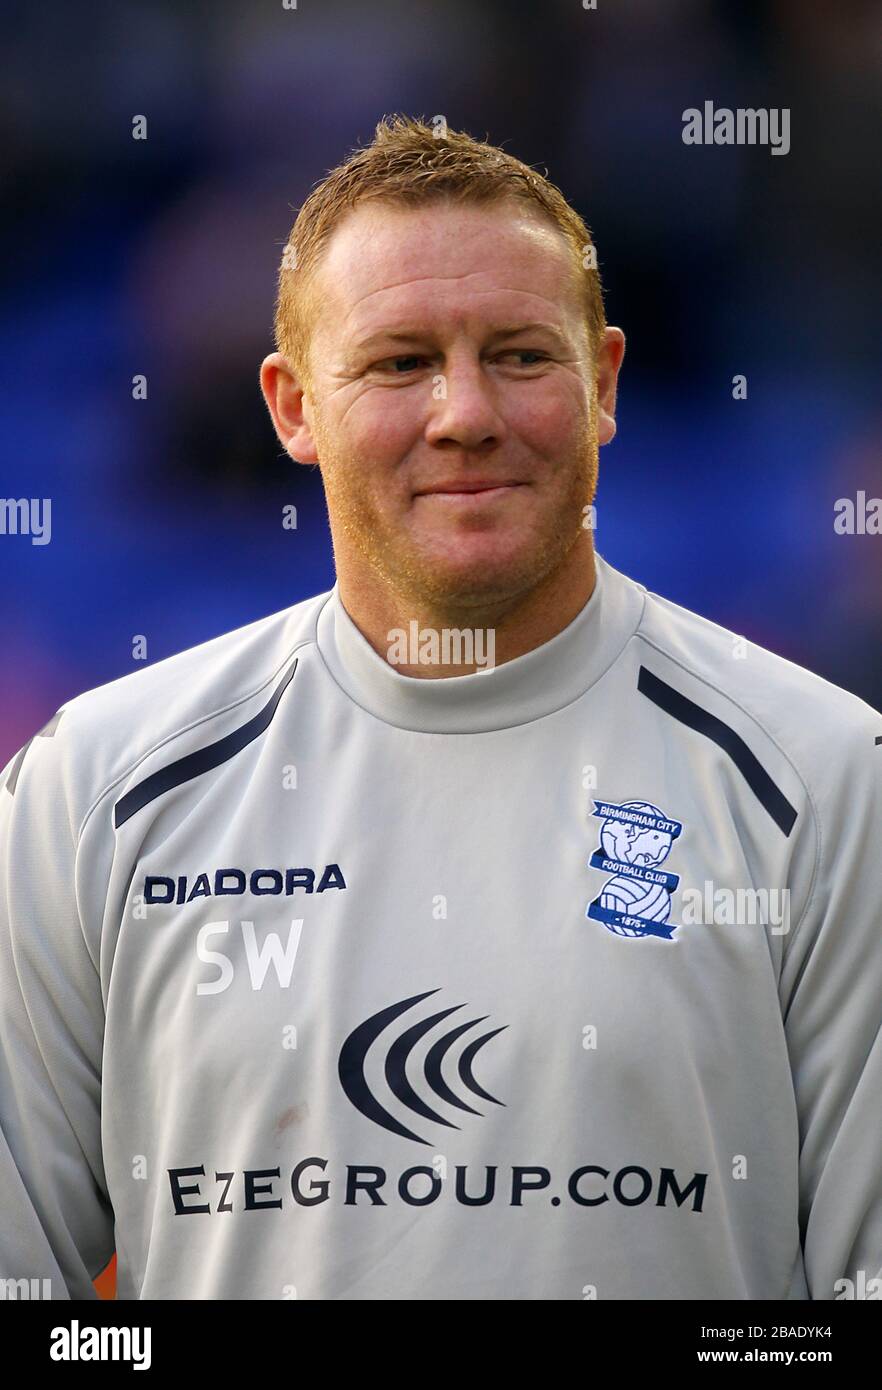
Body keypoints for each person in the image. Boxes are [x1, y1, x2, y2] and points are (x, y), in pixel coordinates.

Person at [1, 115, 880, 1301]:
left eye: (520, 355)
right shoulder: (88, 791)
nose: (464, 412)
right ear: (292, 405)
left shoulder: (830, 779)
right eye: (401, 361)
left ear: (604, 381)